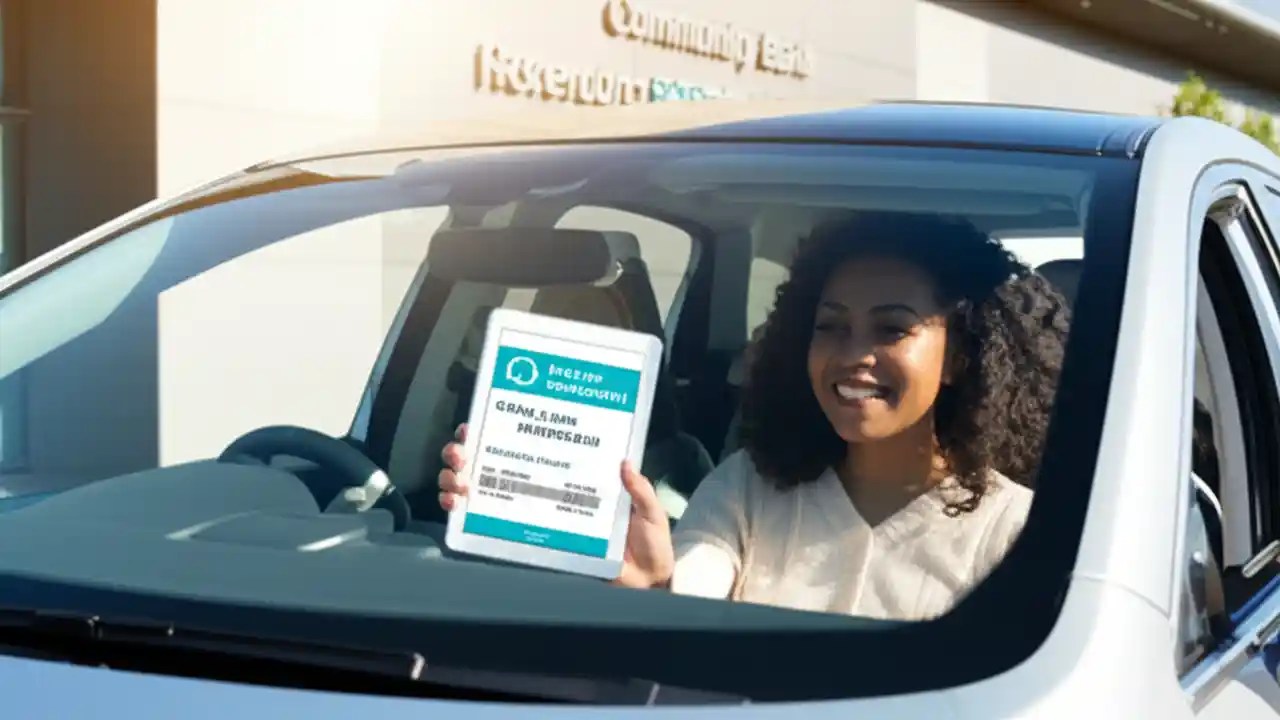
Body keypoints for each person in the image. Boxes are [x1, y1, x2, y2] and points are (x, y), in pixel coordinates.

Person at [437, 211, 1071, 621]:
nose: (854, 357)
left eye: (891, 329)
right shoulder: (749, 487)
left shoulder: (1018, 534)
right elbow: (687, 588)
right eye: (830, 327)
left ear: (959, 355)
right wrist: (652, 587)